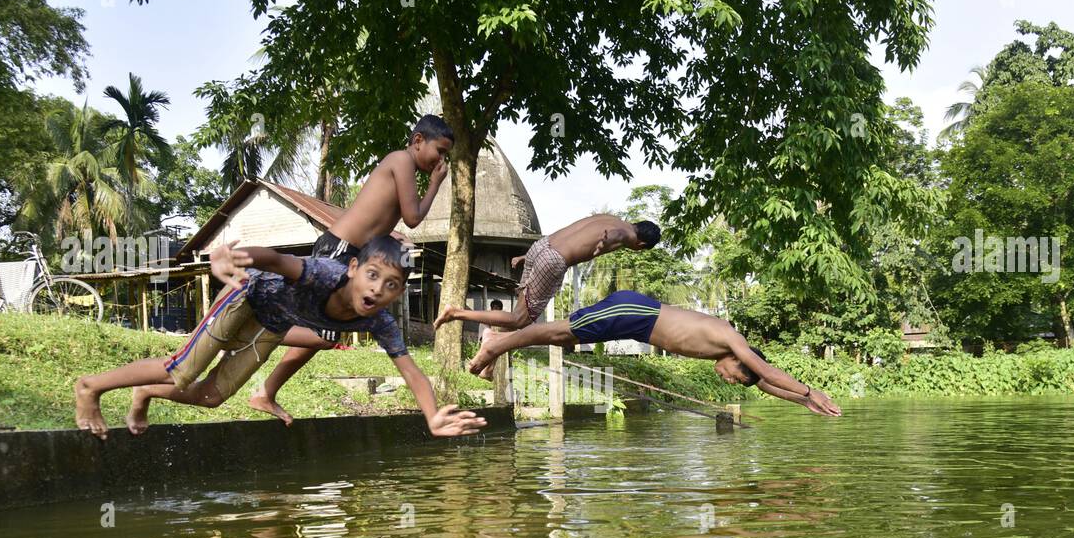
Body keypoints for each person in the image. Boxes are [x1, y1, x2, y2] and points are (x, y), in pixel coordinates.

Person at [73, 236, 486, 439]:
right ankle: (90, 387)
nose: (378, 290)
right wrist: (232, 258)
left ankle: (144, 393)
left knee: (213, 396)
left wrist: (431, 416)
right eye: (373, 276)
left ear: (399, 293)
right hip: (245, 293)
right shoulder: (325, 273)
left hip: (272, 324)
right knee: (182, 371)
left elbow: (413, 373)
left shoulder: (380, 322)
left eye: (392, 285)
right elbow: (275, 259)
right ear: (353, 268)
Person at [248, 114, 453, 424]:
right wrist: (435, 185)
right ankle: (261, 330)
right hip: (341, 250)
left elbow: (378, 212)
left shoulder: (401, 166)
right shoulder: (402, 160)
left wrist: (386, 235)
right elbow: (413, 217)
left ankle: (266, 389)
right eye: (440, 151)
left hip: (350, 249)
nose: (441, 160)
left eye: (446, 156)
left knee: (325, 334)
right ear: (418, 141)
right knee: (323, 334)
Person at [467, 289, 842, 416]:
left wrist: (801, 403)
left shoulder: (728, 351)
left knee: (564, 339)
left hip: (636, 322)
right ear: (738, 361)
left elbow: (763, 383)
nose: (727, 378)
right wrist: (812, 391)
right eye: (733, 375)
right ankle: (496, 345)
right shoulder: (732, 339)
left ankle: (497, 343)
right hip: (636, 314)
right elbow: (767, 371)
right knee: (561, 330)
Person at [434, 214, 661, 378]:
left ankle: (490, 364)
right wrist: (605, 241)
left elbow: (572, 230)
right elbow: (615, 235)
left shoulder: (610, 217)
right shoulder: (623, 233)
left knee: (517, 316)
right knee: (519, 320)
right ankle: (457, 314)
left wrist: (527, 256)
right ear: (641, 244)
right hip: (553, 261)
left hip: (541, 247)